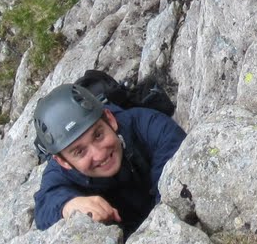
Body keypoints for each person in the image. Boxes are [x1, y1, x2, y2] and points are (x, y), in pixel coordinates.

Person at [31, 81, 184, 233]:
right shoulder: (60, 173)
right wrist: (68, 205)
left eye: (98, 135)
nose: (99, 154)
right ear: (63, 162)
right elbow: (44, 205)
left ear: (110, 119)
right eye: (79, 152)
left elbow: (173, 189)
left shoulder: (149, 126)